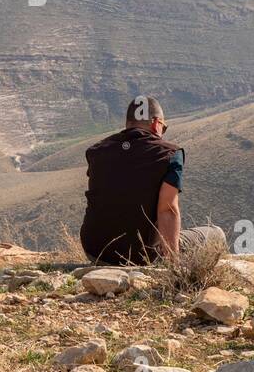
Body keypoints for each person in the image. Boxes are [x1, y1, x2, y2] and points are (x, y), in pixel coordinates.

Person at [79, 95, 225, 265]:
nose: (162, 132)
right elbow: (168, 210)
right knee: (216, 234)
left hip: (96, 252)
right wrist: (173, 263)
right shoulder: (170, 154)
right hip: (142, 256)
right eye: (164, 128)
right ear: (156, 123)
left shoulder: (96, 151)